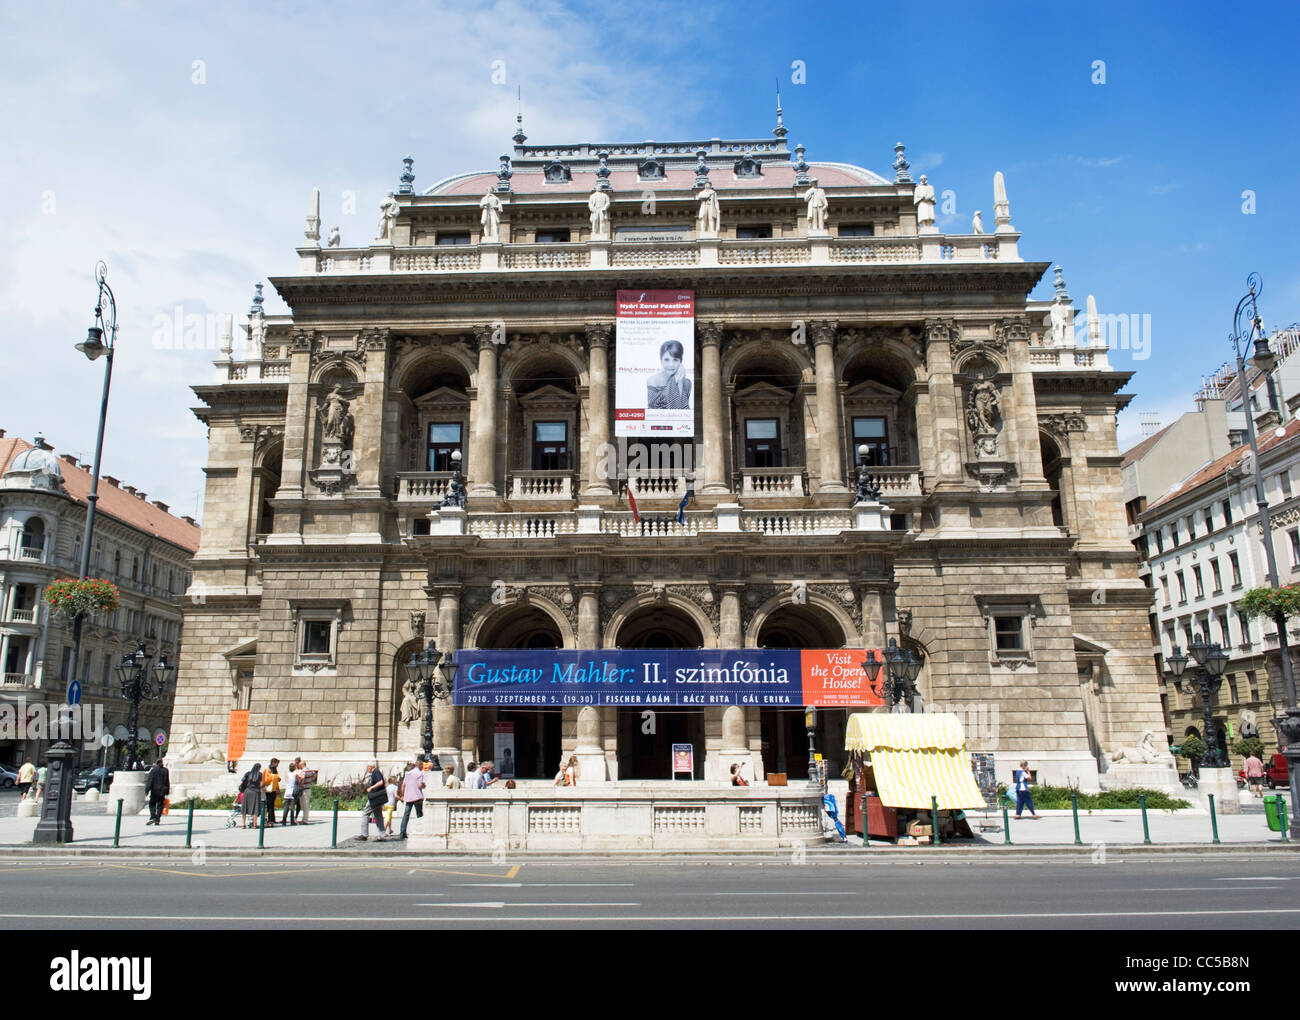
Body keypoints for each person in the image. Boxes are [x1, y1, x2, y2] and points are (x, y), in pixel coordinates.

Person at [646, 340, 691, 411]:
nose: (671, 364)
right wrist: (674, 382)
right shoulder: (653, 381)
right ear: (661, 360)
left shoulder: (687, 383)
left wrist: (680, 383)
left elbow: (684, 410)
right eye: (667, 360)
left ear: (680, 361)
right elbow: (654, 409)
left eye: (675, 360)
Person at [399, 761, 426, 839]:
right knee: (419, 814)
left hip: (409, 796)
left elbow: (403, 786)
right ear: (420, 765)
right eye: (422, 765)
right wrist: (424, 785)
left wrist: (402, 795)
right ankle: (420, 830)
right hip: (417, 796)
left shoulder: (408, 774)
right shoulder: (419, 773)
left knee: (406, 814)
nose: (423, 767)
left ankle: (402, 832)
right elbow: (420, 785)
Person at [361, 761, 387, 840]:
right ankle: (382, 835)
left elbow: (381, 782)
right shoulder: (376, 772)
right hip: (377, 797)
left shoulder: (376, 772)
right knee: (378, 815)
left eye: (367, 767)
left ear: (370, 767)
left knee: (365, 813)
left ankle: (364, 834)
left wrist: (371, 788)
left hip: (374, 797)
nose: (367, 769)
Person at [145, 758, 170, 825]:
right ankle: (157, 819)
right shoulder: (165, 770)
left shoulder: (153, 770)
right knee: (160, 805)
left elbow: (150, 781)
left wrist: (147, 790)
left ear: (156, 763)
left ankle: (153, 816)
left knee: (151, 804)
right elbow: (167, 781)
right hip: (162, 790)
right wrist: (167, 790)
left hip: (154, 790)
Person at [240, 763, 263, 829]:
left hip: (247, 791)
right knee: (255, 807)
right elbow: (262, 784)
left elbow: (241, 782)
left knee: (244, 807)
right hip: (256, 792)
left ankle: (243, 824)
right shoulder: (260, 774)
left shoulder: (247, 773)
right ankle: (255, 824)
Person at [262, 759, 281, 826]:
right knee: (271, 806)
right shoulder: (275, 774)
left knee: (269, 806)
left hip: (268, 791)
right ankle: (271, 820)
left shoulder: (270, 773)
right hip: (273, 791)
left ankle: (269, 820)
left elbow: (266, 781)